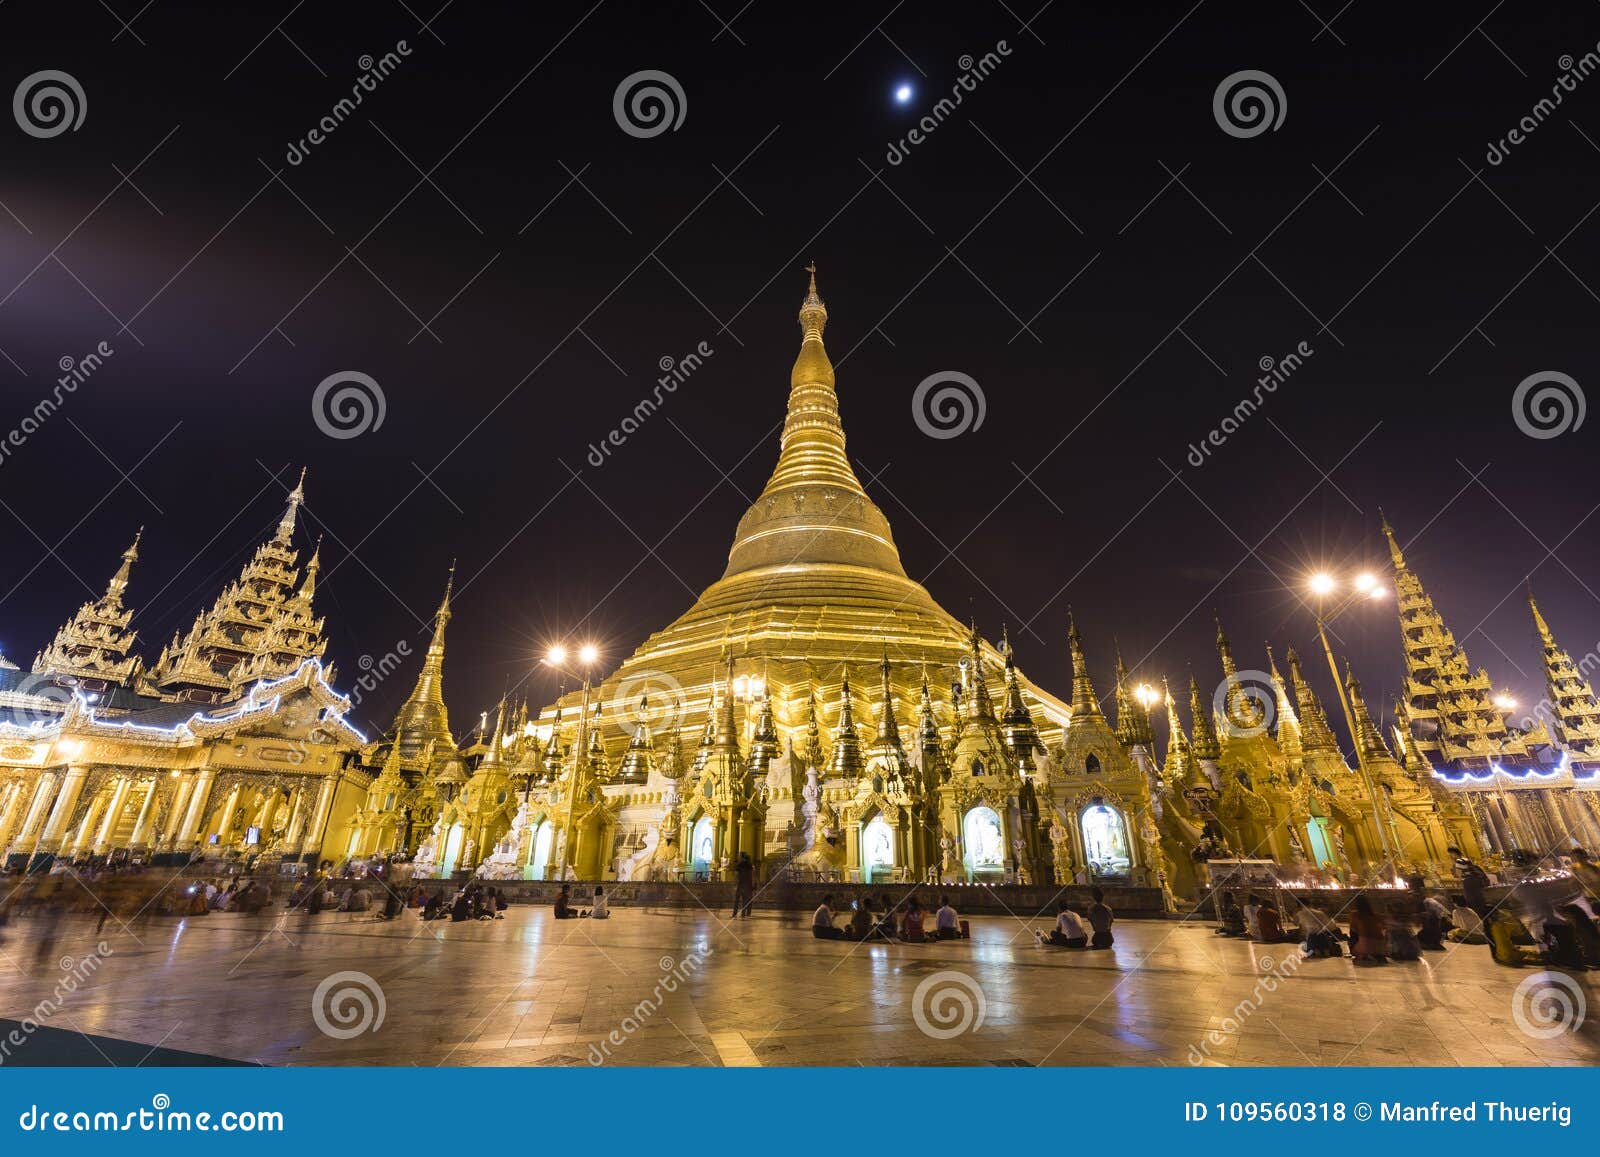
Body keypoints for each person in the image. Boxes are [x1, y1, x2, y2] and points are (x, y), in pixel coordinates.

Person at [1348, 895, 1388, 964]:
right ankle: (1372, 953)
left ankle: (1363, 953)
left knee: (1352, 935)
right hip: (1381, 947)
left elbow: (1353, 930)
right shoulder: (1375, 915)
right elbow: (1385, 927)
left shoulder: (1355, 915)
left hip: (1365, 946)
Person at [1450, 846, 1490, 915]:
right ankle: (1485, 918)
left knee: (1472, 903)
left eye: (1450, 854)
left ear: (1453, 853)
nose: (1450, 856)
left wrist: (1454, 866)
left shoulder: (1459, 861)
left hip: (1469, 883)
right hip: (1476, 882)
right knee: (1479, 901)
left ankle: (1479, 919)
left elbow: (1458, 876)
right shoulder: (1466, 859)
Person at [732, 852, 754, 919]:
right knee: (744, 900)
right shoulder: (750, 865)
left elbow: (736, 875)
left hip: (740, 884)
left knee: (737, 900)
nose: (738, 857)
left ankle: (734, 914)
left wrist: (735, 884)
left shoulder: (739, 865)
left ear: (742, 857)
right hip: (747, 884)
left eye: (739, 856)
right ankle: (743, 915)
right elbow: (751, 875)